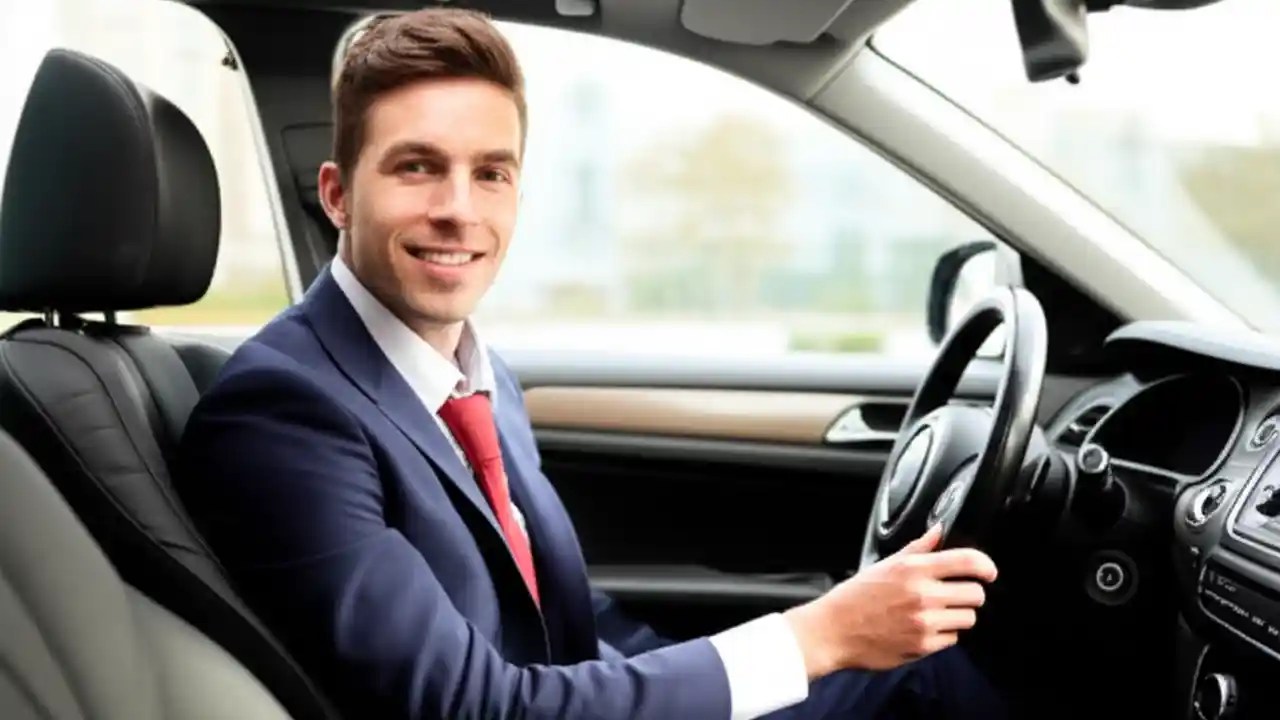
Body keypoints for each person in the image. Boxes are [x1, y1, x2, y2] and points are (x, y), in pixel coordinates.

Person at [175, 8, 1008, 719]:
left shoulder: (469, 373)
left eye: (491, 173)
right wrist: (813, 640)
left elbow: (566, 622)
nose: (458, 210)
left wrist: (789, 657)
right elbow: (471, 707)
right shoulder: (282, 411)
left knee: (916, 672)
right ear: (337, 194)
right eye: (417, 167)